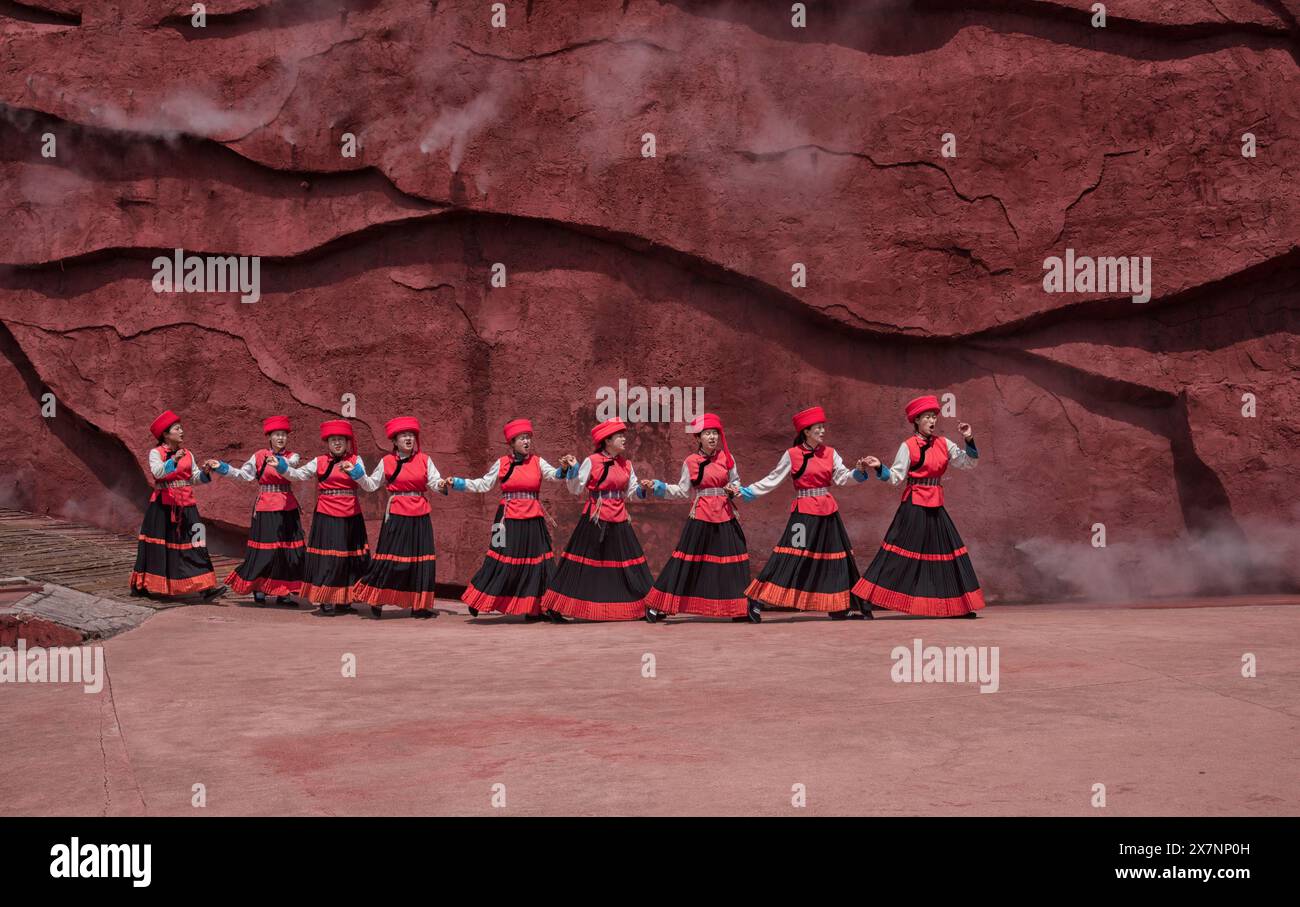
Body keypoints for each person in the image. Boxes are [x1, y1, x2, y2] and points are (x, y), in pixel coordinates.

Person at [853, 395, 984, 618]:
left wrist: (968, 438)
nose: (932, 421)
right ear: (917, 421)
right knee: (895, 555)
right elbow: (895, 477)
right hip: (913, 506)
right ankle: (864, 599)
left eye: (934, 417)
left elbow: (969, 462)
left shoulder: (944, 443)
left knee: (945, 553)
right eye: (927, 417)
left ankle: (954, 606)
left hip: (935, 504)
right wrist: (879, 467)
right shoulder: (908, 446)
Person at [736, 406, 873, 620]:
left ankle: (839, 606)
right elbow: (772, 479)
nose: (822, 431)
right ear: (806, 432)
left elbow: (843, 478)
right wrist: (746, 492)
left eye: (822, 427)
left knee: (837, 557)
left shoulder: (831, 453)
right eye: (818, 428)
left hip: (828, 514)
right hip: (804, 515)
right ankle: (757, 599)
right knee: (790, 555)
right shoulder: (792, 455)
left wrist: (859, 471)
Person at [445, 418, 574, 621]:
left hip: (534, 520)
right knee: (500, 560)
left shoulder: (538, 462)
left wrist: (565, 469)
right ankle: (478, 598)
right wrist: (459, 483)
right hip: (506, 522)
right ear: (511, 443)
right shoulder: (502, 463)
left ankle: (541, 608)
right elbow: (483, 484)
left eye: (528, 438)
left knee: (542, 563)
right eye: (522, 438)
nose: (526, 442)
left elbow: (555, 475)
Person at [644, 413, 755, 623]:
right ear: (698, 438)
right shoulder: (691, 462)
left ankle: (738, 607)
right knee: (684, 561)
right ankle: (657, 604)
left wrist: (734, 489)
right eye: (707, 434)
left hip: (725, 514)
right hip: (701, 515)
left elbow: (736, 482)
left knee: (734, 560)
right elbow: (683, 490)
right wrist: (660, 487)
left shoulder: (727, 458)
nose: (712, 437)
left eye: (715, 433)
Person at [540, 418, 654, 622]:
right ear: (607, 440)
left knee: (632, 563)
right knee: (577, 565)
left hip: (619, 518)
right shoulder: (592, 461)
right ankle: (555, 606)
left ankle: (649, 605)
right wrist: (573, 470)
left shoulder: (626, 464)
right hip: (595, 519)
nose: (623, 439)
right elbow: (575, 488)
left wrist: (643, 489)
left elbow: (631, 492)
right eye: (619, 436)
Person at [274, 419, 372, 616]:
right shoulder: (319, 461)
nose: (337, 443)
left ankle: (345, 598)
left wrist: (355, 472)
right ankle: (326, 598)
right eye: (333, 440)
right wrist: (281, 466)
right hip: (327, 514)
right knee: (328, 558)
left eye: (341, 440)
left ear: (347, 442)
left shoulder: (356, 460)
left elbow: (366, 483)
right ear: (328, 443)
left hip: (351, 515)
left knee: (350, 558)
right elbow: (298, 475)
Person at [351, 416, 443, 619]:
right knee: (391, 559)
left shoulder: (425, 460)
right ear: (394, 441)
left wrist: (442, 485)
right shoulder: (387, 462)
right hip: (397, 514)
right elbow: (370, 485)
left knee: (421, 560)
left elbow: (435, 482)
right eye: (403, 436)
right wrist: (357, 473)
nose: (408, 439)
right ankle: (377, 598)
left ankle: (419, 605)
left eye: (411, 435)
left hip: (420, 515)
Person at [208, 415, 304, 606]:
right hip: (266, 508)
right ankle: (259, 588)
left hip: (287, 508)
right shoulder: (259, 456)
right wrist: (222, 467)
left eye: (283, 435)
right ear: (269, 437)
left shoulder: (292, 456)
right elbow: (244, 475)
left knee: (286, 551)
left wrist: (280, 463)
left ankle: (283, 592)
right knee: (265, 550)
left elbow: (292, 470)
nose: (280, 438)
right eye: (277, 435)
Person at [129, 410, 225, 600]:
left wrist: (206, 472)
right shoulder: (156, 453)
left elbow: (195, 477)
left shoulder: (188, 453)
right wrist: (173, 460)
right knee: (157, 546)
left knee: (197, 542)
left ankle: (205, 587)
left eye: (181, 428)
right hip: (162, 507)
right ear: (166, 434)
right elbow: (158, 473)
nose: (182, 432)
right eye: (177, 428)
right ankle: (142, 585)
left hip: (187, 505)